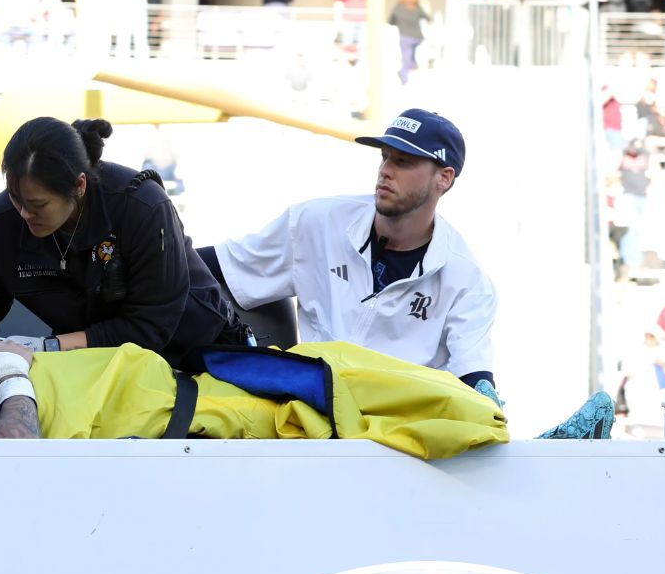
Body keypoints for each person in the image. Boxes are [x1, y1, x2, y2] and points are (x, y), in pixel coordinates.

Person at [0, 333, 523, 458]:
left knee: (327, 374)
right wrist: (11, 373)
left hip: (143, 389)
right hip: (147, 407)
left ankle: (483, 414)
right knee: (326, 393)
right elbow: (15, 466)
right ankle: (493, 426)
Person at [209, 108, 498, 393]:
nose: (385, 171)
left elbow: (474, 381)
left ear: (444, 178)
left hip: (396, 430)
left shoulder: (467, 280)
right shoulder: (317, 222)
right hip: (307, 415)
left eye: (403, 162)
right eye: (384, 157)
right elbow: (213, 265)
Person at [0, 118, 240, 371]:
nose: (23, 214)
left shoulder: (141, 207)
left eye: (37, 204)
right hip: (87, 364)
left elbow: (150, 327)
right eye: (15, 198)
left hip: (194, 358)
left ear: (79, 185)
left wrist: (45, 348)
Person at [390, 0, 429, 83]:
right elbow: (427, 17)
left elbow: (391, 20)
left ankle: (404, 77)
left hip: (406, 36)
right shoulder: (417, 7)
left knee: (406, 56)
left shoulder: (398, 7)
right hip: (417, 37)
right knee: (410, 56)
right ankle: (412, 66)